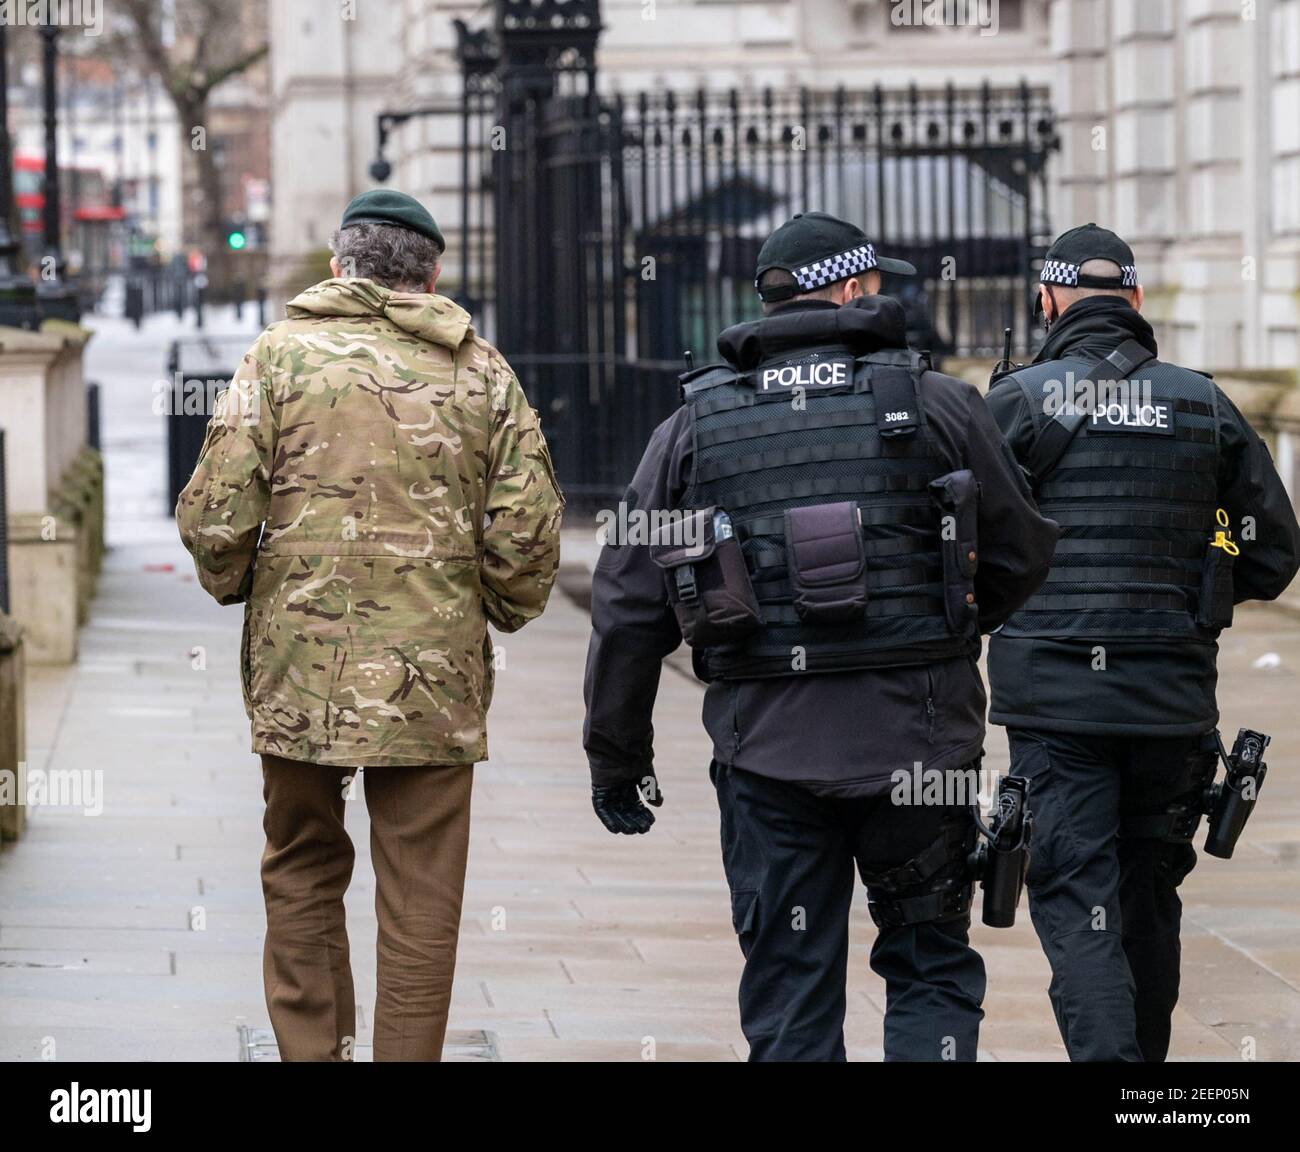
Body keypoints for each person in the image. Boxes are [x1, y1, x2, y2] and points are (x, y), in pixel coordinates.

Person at [583, 211, 1058, 1061]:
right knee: (931, 966)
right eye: (876, 283)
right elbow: (1024, 549)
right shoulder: (941, 402)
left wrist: (617, 755)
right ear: (848, 289)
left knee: (790, 984)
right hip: (920, 747)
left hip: (768, 756)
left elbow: (626, 604)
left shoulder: (693, 425)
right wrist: (951, 628)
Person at [177, 188, 564, 1061]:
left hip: (299, 665)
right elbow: (529, 530)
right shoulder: (482, 371)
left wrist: (237, 583)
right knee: (423, 890)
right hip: (434, 675)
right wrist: (498, 606)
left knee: (303, 861)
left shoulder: (278, 359)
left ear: (337, 267)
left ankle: (315, 1051)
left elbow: (213, 516)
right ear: (432, 274)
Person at [984, 222, 1300, 1061]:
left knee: (1075, 897)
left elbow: (963, 548)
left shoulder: (1015, 402)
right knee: (1148, 901)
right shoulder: (1202, 401)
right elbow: (1274, 551)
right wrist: (1198, 585)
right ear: (1135, 300)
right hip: (1171, 705)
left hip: (1057, 709)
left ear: (1047, 299)